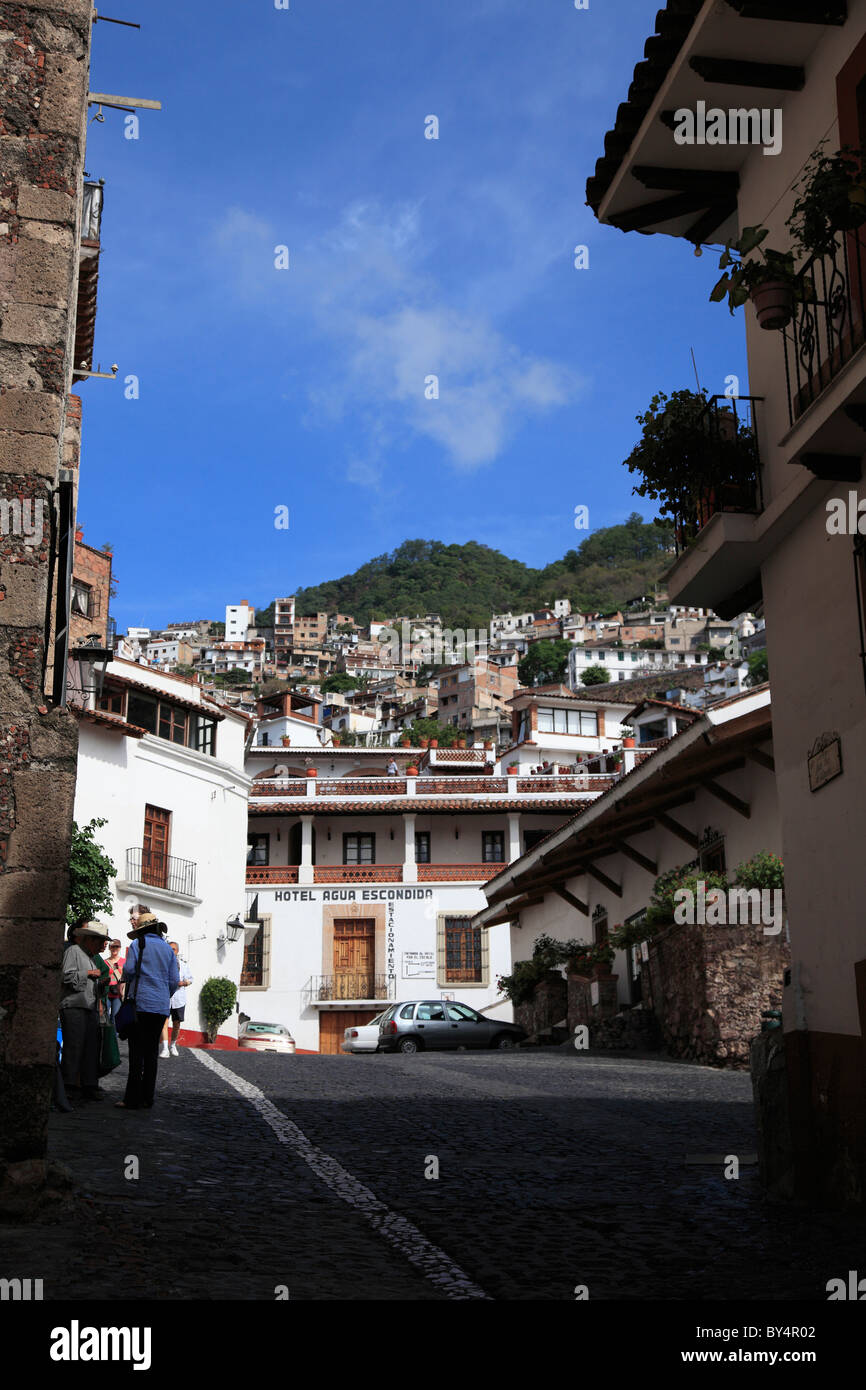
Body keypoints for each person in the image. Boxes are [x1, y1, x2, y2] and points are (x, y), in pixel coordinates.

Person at [116, 913, 179, 1111]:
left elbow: (129, 969)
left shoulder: (138, 944)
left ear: (141, 930)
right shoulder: (168, 950)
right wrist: (162, 995)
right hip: (160, 1007)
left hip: (140, 1003)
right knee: (151, 1052)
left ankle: (131, 1099)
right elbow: (173, 981)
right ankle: (147, 1098)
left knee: (136, 1053)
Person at [59, 921, 111, 1103]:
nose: (102, 945)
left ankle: (87, 1085)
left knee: (89, 1048)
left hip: (87, 1007)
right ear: (89, 939)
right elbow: (66, 976)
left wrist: (99, 983)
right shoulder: (73, 952)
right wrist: (89, 974)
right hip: (74, 1006)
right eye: (99, 941)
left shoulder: (89, 956)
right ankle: (69, 1086)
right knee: (74, 1047)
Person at [160, 940, 192, 1057]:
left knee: (176, 1024)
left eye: (173, 949)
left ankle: (173, 1045)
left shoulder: (183, 965)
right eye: (169, 949)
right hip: (166, 997)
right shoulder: (163, 964)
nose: (171, 951)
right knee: (164, 1022)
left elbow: (190, 979)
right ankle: (164, 1048)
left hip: (179, 999)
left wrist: (183, 983)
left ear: (177, 951)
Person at [105, 939, 125, 1022]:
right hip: (107, 992)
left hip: (118, 994)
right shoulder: (105, 962)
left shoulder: (124, 962)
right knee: (104, 1017)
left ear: (120, 948)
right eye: (112, 946)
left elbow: (126, 978)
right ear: (109, 948)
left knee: (115, 1019)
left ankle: (114, 1035)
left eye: (117, 946)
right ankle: (105, 1035)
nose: (114, 949)